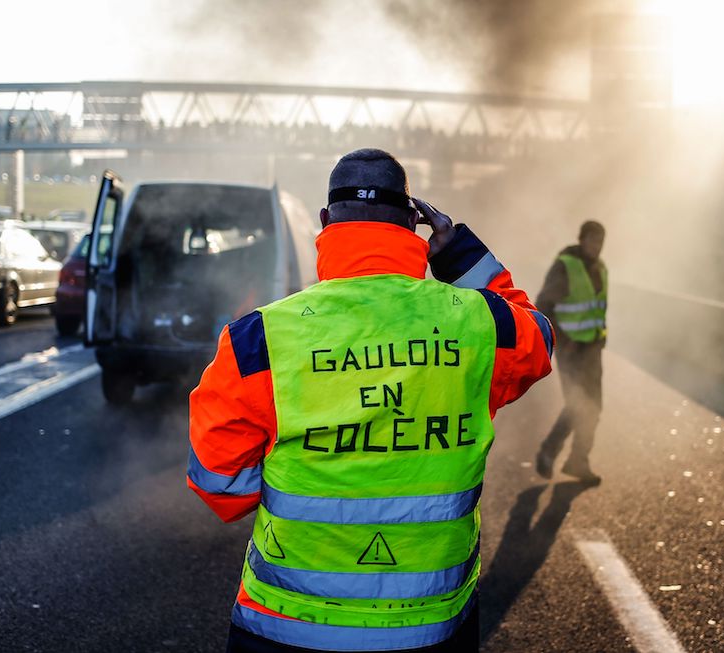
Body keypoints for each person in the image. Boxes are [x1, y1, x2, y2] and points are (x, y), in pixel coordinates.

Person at [188, 148, 554, 653]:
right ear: (414, 222)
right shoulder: (478, 324)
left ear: (324, 222)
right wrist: (460, 255)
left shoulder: (260, 339)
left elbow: (220, 486)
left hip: (285, 624)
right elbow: (539, 339)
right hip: (429, 626)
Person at [534, 220, 608, 484]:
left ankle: (578, 461)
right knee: (579, 405)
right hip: (571, 350)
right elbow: (542, 305)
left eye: (600, 241)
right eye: (592, 240)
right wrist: (562, 341)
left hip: (592, 349)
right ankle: (549, 451)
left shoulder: (600, 268)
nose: (597, 246)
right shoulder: (565, 266)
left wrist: (601, 338)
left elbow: (598, 308)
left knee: (593, 407)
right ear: (581, 239)